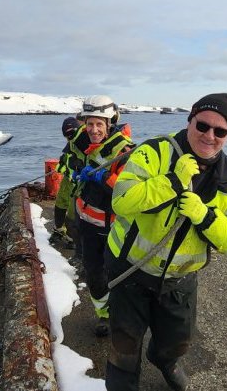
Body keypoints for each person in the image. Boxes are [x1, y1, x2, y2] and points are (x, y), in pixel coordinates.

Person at [105, 93, 227, 391]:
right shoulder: (154, 151)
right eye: (202, 125)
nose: (209, 136)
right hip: (131, 270)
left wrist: (205, 216)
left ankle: (164, 360)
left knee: (176, 342)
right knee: (124, 349)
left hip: (179, 281)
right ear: (190, 121)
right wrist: (171, 180)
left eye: (220, 131)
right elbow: (121, 201)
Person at [69, 95, 134, 337]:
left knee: (116, 273)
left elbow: (129, 191)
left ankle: (119, 314)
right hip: (86, 223)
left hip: (112, 227)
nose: (94, 130)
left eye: (99, 124)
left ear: (110, 124)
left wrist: (101, 178)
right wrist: (77, 176)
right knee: (93, 271)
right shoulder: (85, 146)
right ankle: (103, 314)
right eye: (90, 124)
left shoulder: (125, 152)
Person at [50, 116, 83, 251]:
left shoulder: (83, 145)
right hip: (67, 182)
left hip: (78, 184)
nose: (70, 137)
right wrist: (63, 168)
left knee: (73, 212)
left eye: (71, 133)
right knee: (60, 204)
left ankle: (71, 239)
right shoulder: (69, 148)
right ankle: (59, 230)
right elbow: (63, 165)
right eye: (67, 135)